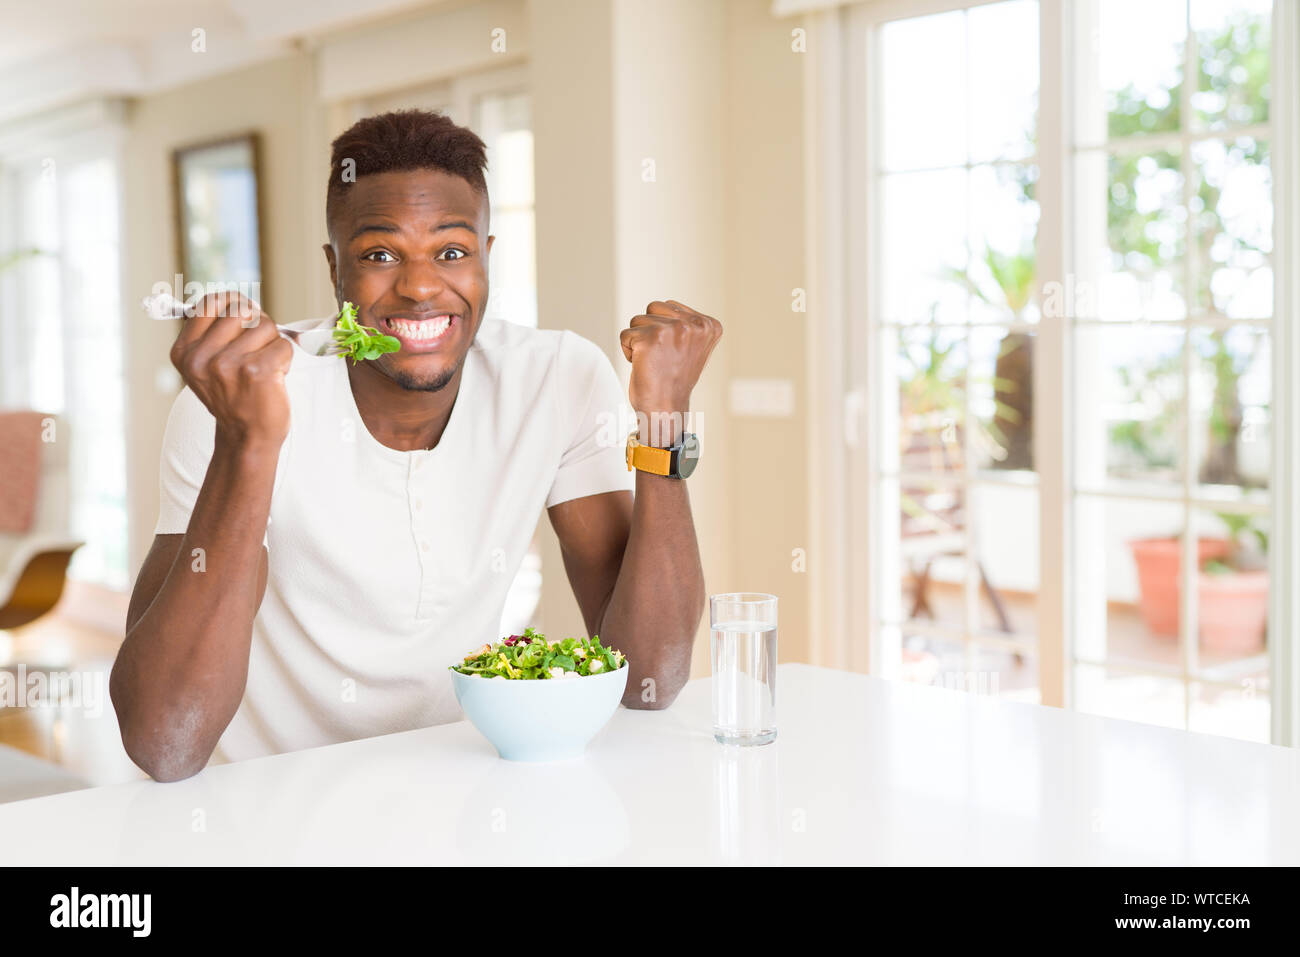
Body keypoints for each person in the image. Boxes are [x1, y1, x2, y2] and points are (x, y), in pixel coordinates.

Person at [111, 109, 721, 780]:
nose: (422, 286)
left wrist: (665, 416)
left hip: (453, 803)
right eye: (379, 254)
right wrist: (249, 442)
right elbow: (164, 742)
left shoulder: (556, 378)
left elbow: (652, 680)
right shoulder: (235, 404)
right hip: (264, 815)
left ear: (488, 256)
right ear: (334, 266)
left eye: (453, 251)